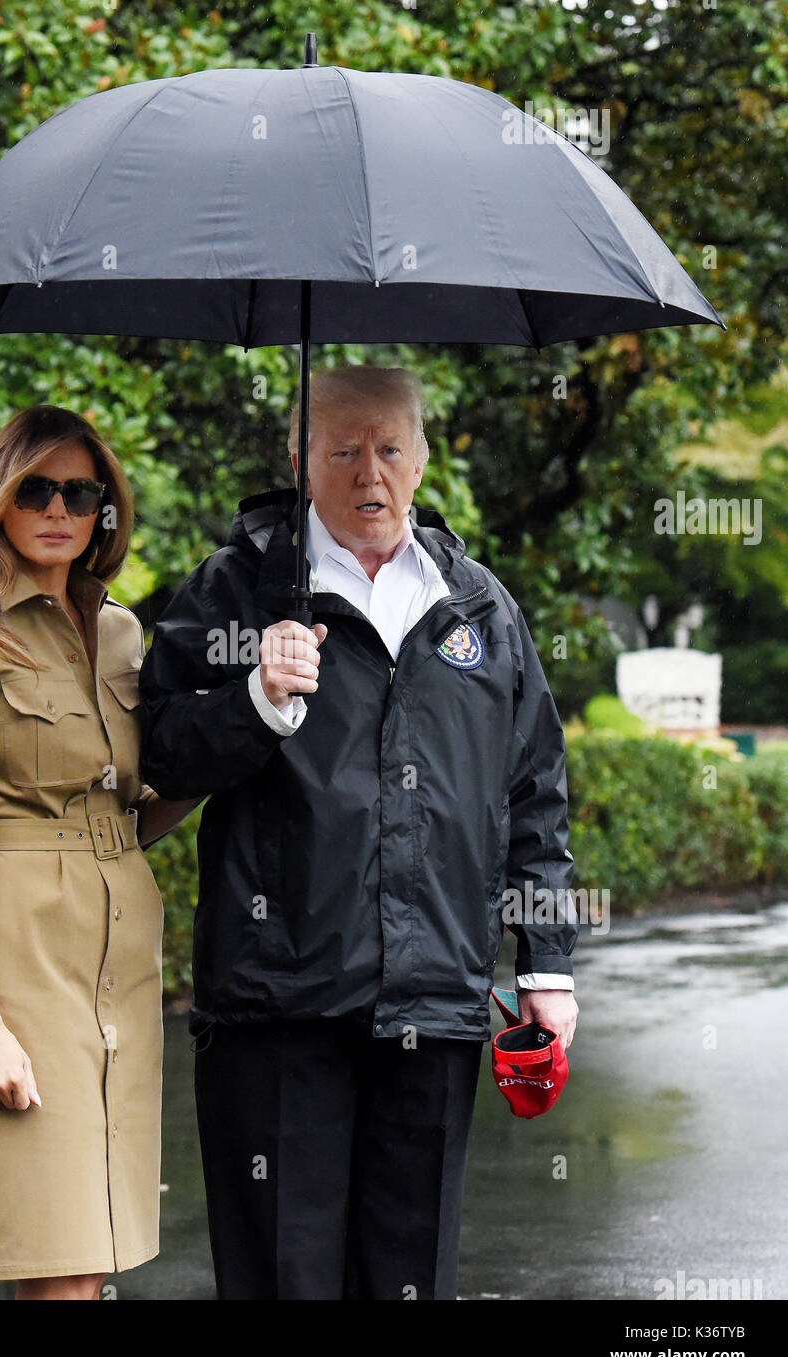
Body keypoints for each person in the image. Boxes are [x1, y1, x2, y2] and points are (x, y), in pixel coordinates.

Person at [138, 365, 579, 1300]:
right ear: (302, 462)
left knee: (410, 1276)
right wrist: (253, 701)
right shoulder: (236, 591)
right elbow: (158, 756)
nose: (368, 474)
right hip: (277, 1006)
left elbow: (534, 790)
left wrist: (544, 964)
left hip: (436, 1000)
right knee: (283, 1278)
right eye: (342, 451)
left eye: (388, 448)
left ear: (421, 459)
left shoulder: (478, 606)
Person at [0, 404, 198, 1300]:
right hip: (23, 960)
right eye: (37, 489)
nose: (59, 508)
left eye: (80, 491)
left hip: (120, 956)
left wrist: (257, 718)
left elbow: (132, 811)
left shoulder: (120, 633)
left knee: (97, 1250)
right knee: (53, 1259)